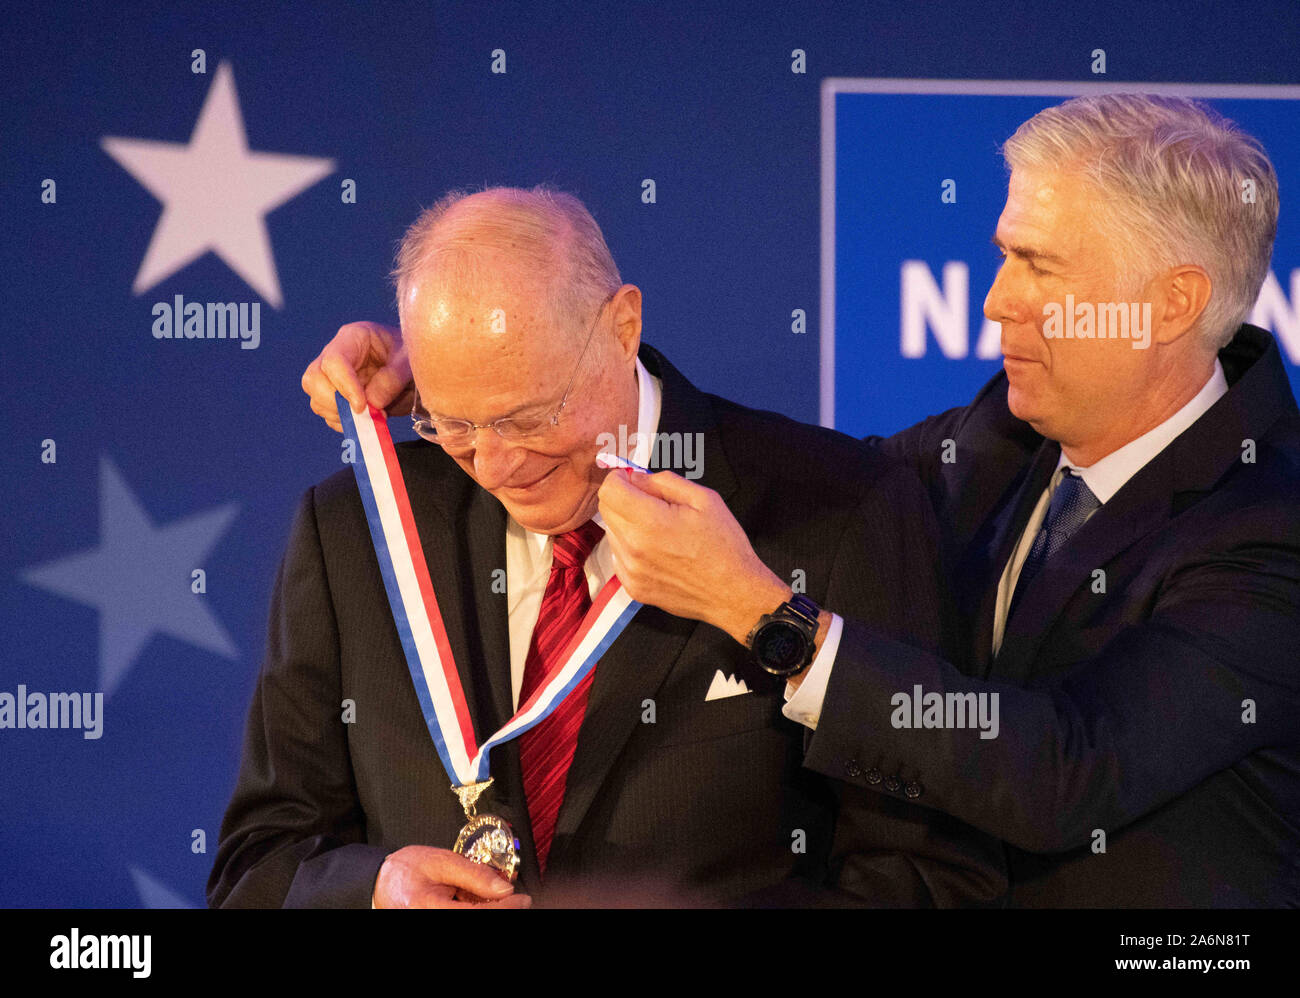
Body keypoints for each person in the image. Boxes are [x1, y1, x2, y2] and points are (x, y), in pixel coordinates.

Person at [305, 96, 1300, 906]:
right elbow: (788, 475)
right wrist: (470, 376)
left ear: (1169, 301)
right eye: (1002, 253)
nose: (994, 298)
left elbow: (1066, 773)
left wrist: (765, 616)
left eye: (1038, 267)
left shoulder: (1269, 527)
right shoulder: (994, 443)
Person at [212, 185, 1007, 908]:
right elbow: (256, 867)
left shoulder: (832, 508)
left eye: (528, 417)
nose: (494, 465)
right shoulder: (359, 528)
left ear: (622, 327)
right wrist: (372, 892)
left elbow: (933, 884)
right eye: (450, 423)